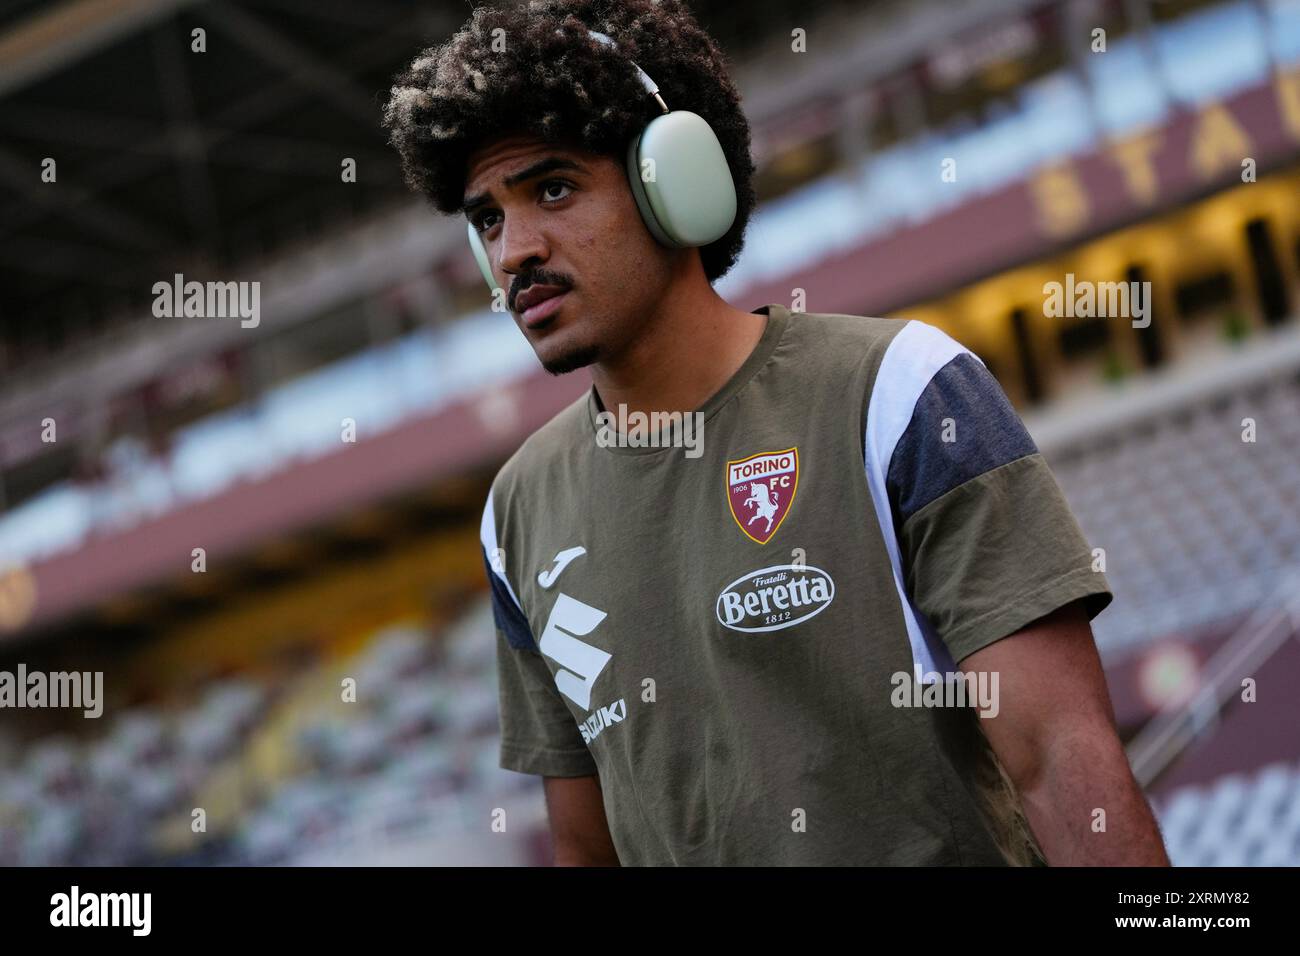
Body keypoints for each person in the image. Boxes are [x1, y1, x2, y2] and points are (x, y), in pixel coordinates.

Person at [382, 0, 1170, 866]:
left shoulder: (899, 392)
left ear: (672, 182)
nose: (512, 252)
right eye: (488, 218)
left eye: (553, 189)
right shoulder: (515, 513)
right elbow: (585, 849)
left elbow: (1062, 768)